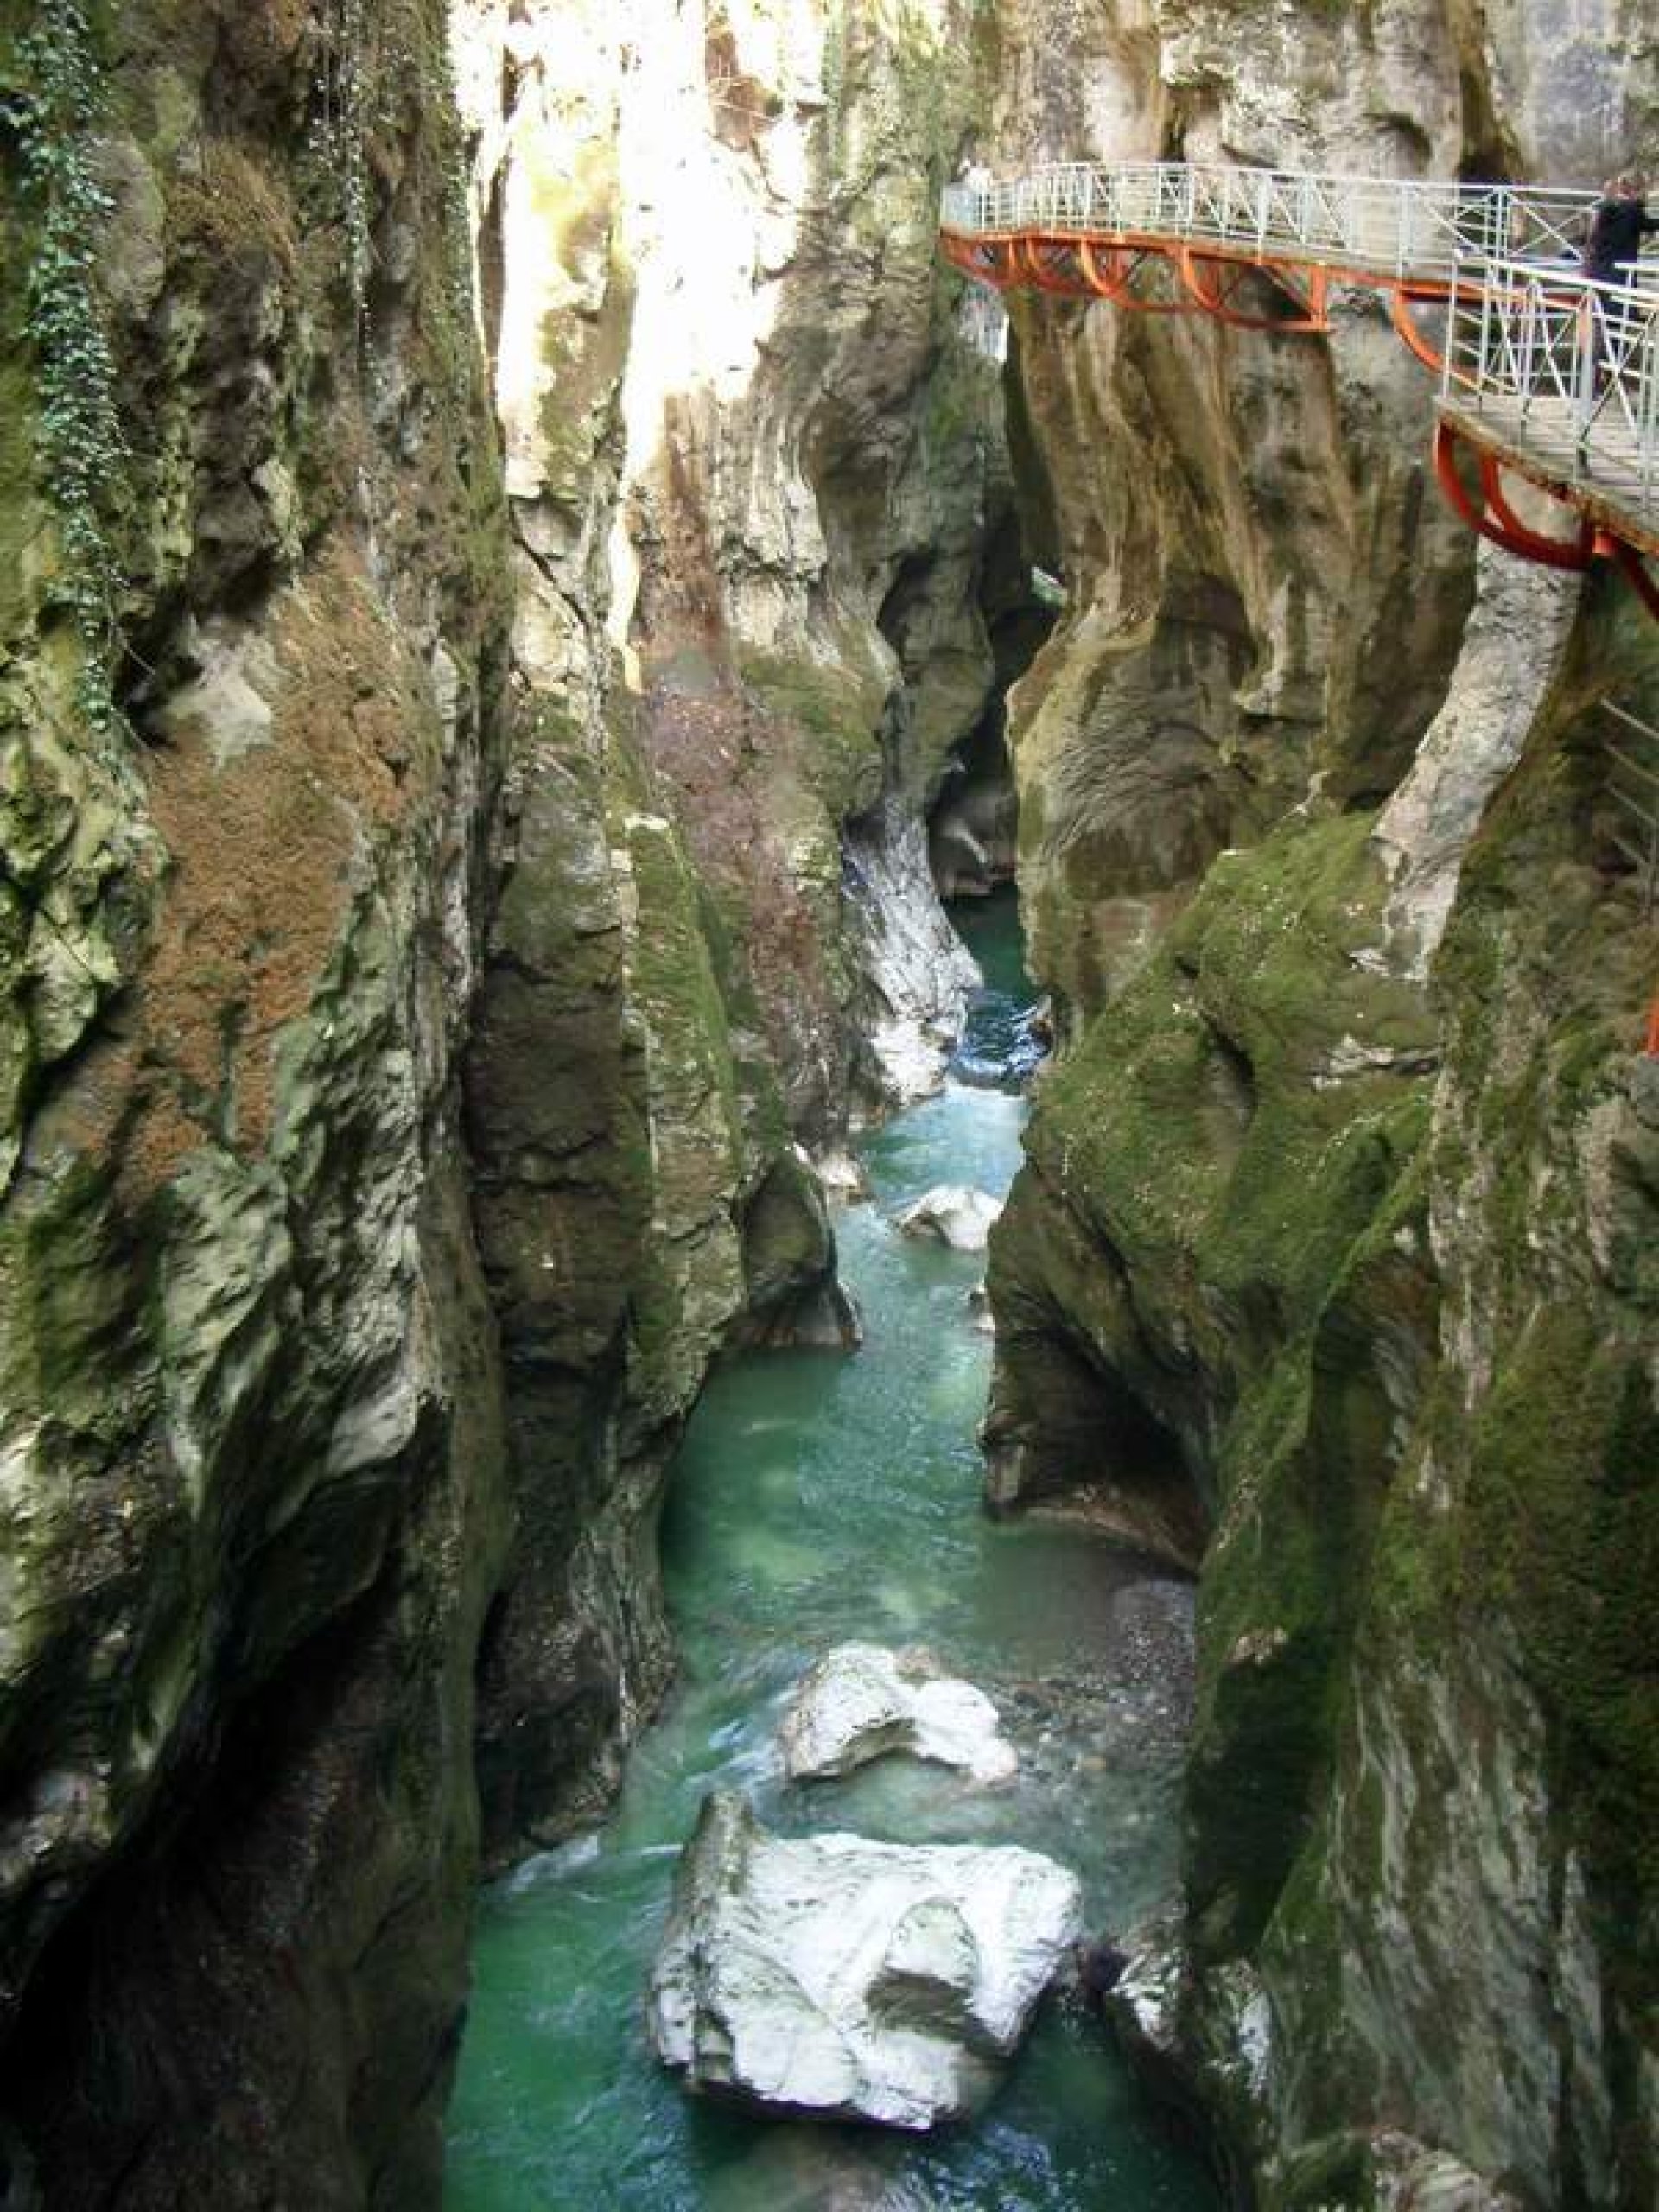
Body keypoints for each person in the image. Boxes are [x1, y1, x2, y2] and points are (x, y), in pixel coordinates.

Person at [1583, 172, 1658, 283]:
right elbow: (1650, 225)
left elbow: (1593, 238)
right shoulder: (1632, 211)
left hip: (1598, 271)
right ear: (1634, 190)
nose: (1646, 195)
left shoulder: (1604, 209)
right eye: (1645, 190)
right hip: (1619, 274)